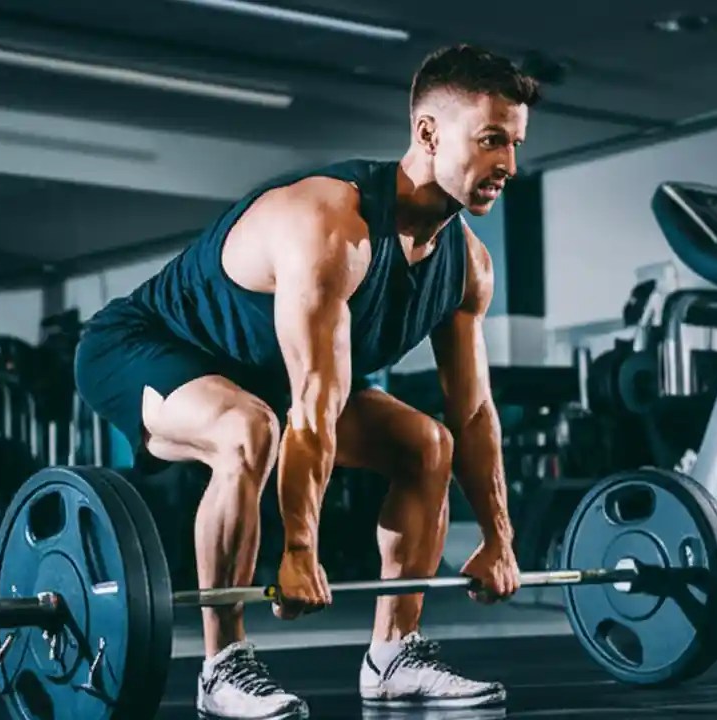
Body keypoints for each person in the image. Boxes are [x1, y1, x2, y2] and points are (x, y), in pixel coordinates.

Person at [74, 44, 539, 719]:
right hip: (147, 347)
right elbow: (315, 405)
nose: (508, 165)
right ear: (429, 133)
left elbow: (473, 416)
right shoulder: (331, 227)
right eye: (492, 139)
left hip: (267, 378)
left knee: (427, 445)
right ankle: (222, 666)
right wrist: (298, 548)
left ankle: (393, 656)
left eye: (515, 145)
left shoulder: (467, 265)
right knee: (246, 431)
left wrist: (499, 536)